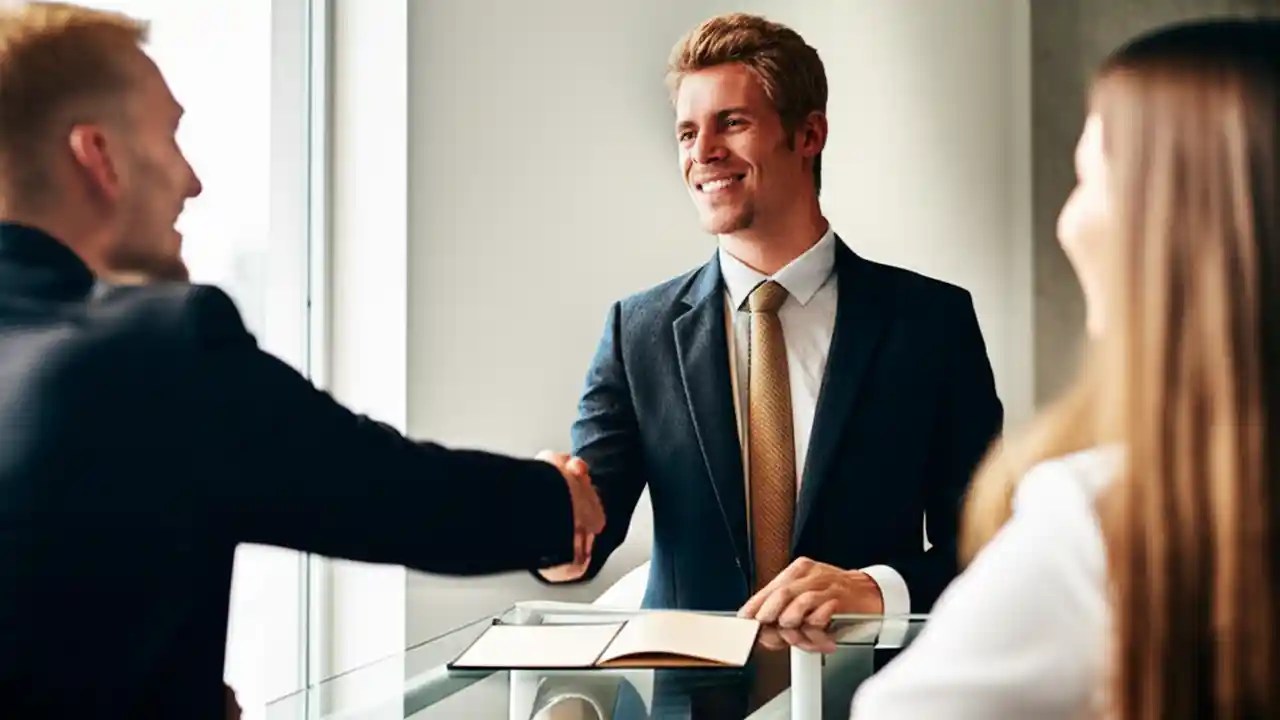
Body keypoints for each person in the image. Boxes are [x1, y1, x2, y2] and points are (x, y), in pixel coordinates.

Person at [0, 3, 604, 718]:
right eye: (169, 135)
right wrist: (555, 503)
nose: (191, 180)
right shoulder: (153, 349)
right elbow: (392, 493)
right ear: (98, 155)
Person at [848, 17, 1280, 720]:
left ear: (1172, 224)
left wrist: (879, 589)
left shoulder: (1099, 526)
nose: (1067, 223)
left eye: (1088, 178)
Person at [537, 11, 1003, 627]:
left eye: (731, 123)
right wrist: (545, 520)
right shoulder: (636, 333)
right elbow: (583, 541)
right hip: (688, 682)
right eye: (686, 133)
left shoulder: (931, 325)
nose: (702, 152)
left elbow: (986, 546)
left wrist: (874, 588)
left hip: (867, 679)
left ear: (809, 134)